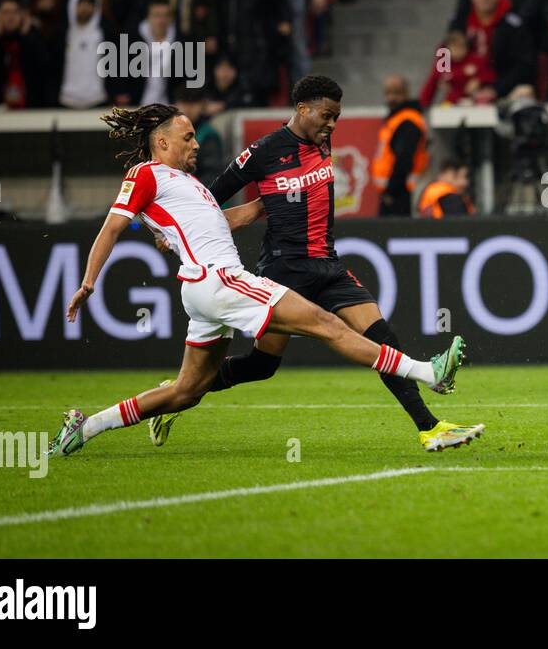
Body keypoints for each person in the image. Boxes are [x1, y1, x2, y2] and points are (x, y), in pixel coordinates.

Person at [48, 102, 467, 457]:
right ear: (162, 142)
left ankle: (85, 428)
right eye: (188, 137)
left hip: (204, 291)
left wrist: (273, 200)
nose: (196, 144)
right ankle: (426, 371)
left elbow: (232, 218)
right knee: (326, 325)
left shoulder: (188, 185)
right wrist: (89, 281)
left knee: (187, 391)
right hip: (221, 280)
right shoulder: (146, 174)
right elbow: (112, 227)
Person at [180, 76, 480, 452]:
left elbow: (290, 193)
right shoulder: (262, 152)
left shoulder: (322, 137)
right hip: (284, 271)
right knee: (262, 366)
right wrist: (177, 230)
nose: (332, 125)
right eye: (326, 115)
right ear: (302, 109)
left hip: (328, 264)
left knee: (381, 337)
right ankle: (175, 394)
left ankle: (430, 428)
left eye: (337, 117)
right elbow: (208, 199)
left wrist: (264, 204)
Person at [372, 74, 429, 216]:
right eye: (388, 93)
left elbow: (404, 159)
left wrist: (391, 191)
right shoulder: (397, 119)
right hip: (396, 190)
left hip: (401, 193)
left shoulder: (407, 121)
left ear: (405, 94)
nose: (391, 98)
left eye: (396, 93)